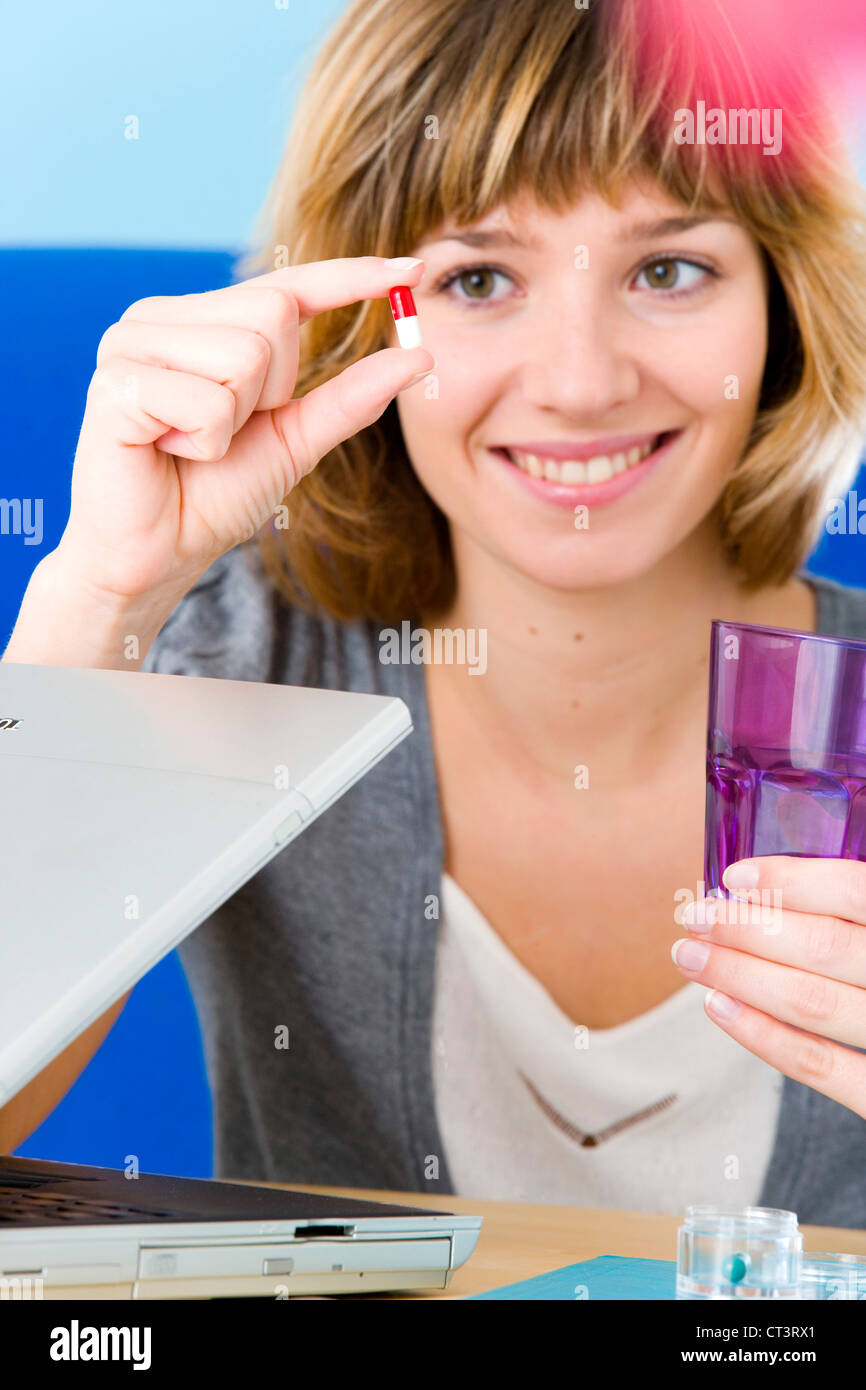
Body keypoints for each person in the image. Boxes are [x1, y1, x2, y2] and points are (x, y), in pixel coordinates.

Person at [4, 0, 866, 1224]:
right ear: (361, 322)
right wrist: (100, 593)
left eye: (668, 269)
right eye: (475, 278)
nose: (578, 381)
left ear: (780, 305)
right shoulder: (229, 672)